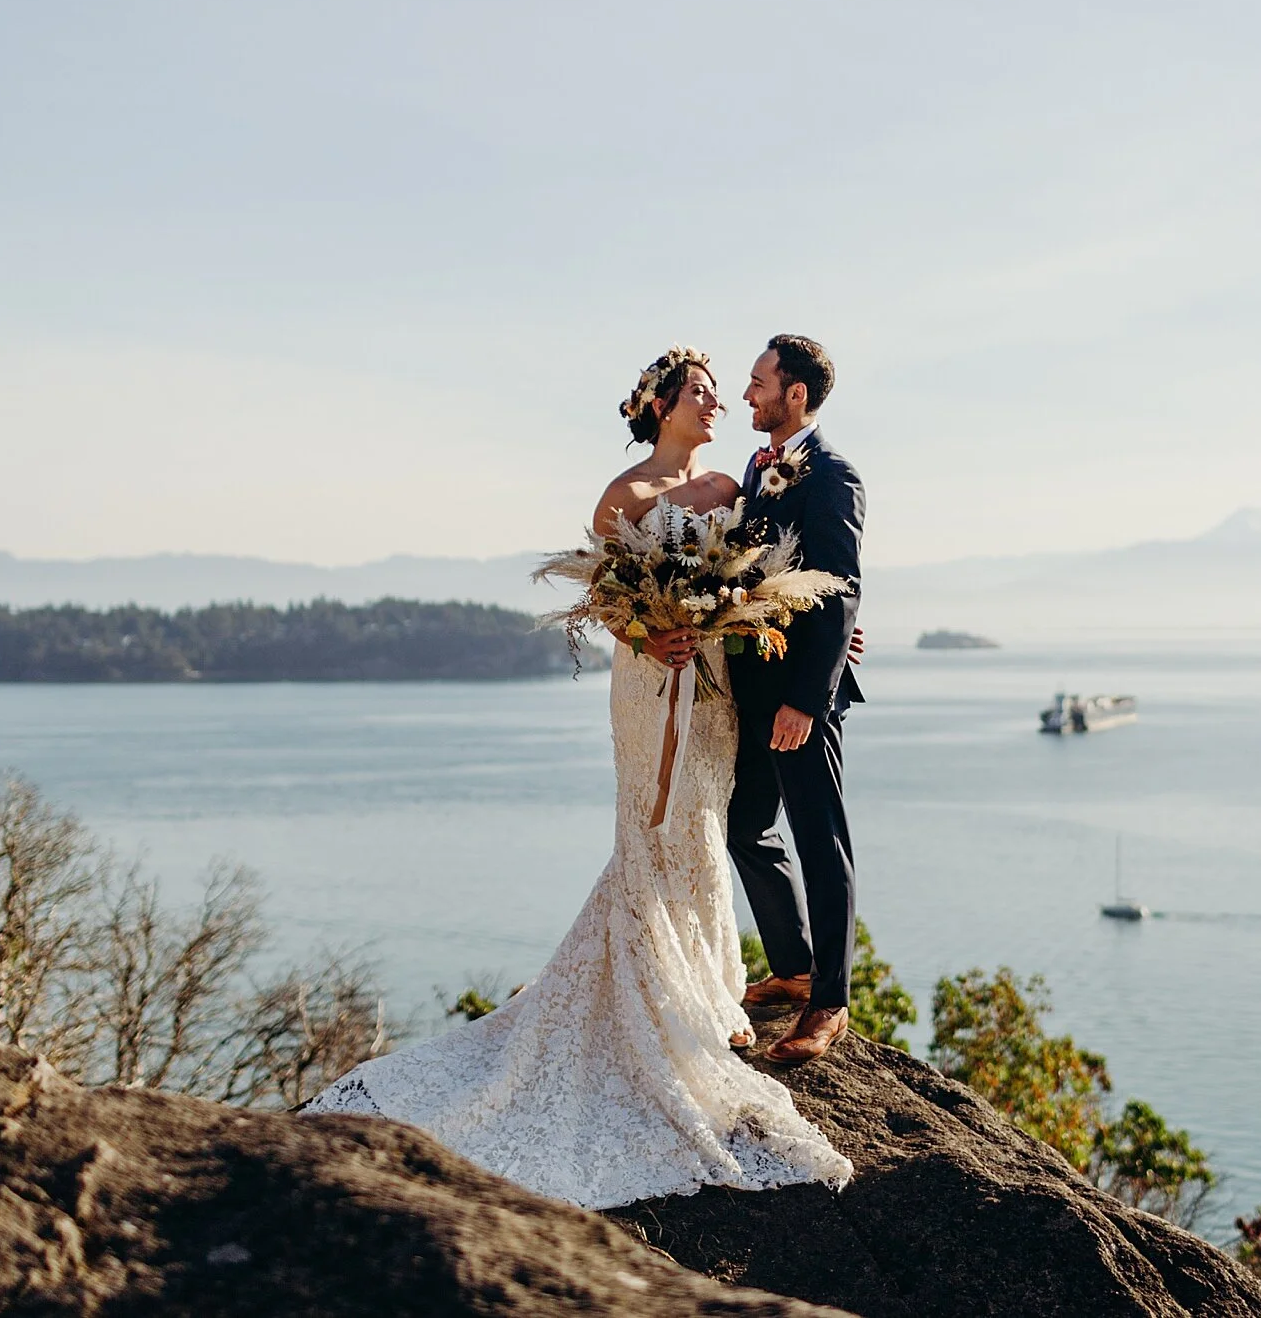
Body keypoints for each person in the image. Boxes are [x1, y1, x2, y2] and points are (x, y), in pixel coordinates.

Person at [302, 346, 852, 1211]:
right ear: (662, 405)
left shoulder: (736, 487)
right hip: (651, 681)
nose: (719, 403)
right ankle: (663, 997)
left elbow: (786, 572)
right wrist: (650, 635)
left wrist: (826, 631)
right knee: (658, 826)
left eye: (727, 391)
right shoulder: (624, 496)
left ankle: (707, 989)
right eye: (702, 392)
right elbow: (608, 600)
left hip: (714, 686)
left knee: (705, 825)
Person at [726, 334, 865, 1064]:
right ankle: (793, 966)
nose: (748, 394)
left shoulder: (833, 475)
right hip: (750, 684)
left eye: (758, 382)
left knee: (820, 838)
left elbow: (839, 589)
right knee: (743, 825)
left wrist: (809, 699)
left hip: (800, 700)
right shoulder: (757, 469)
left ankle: (830, 1002)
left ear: (795, 394)